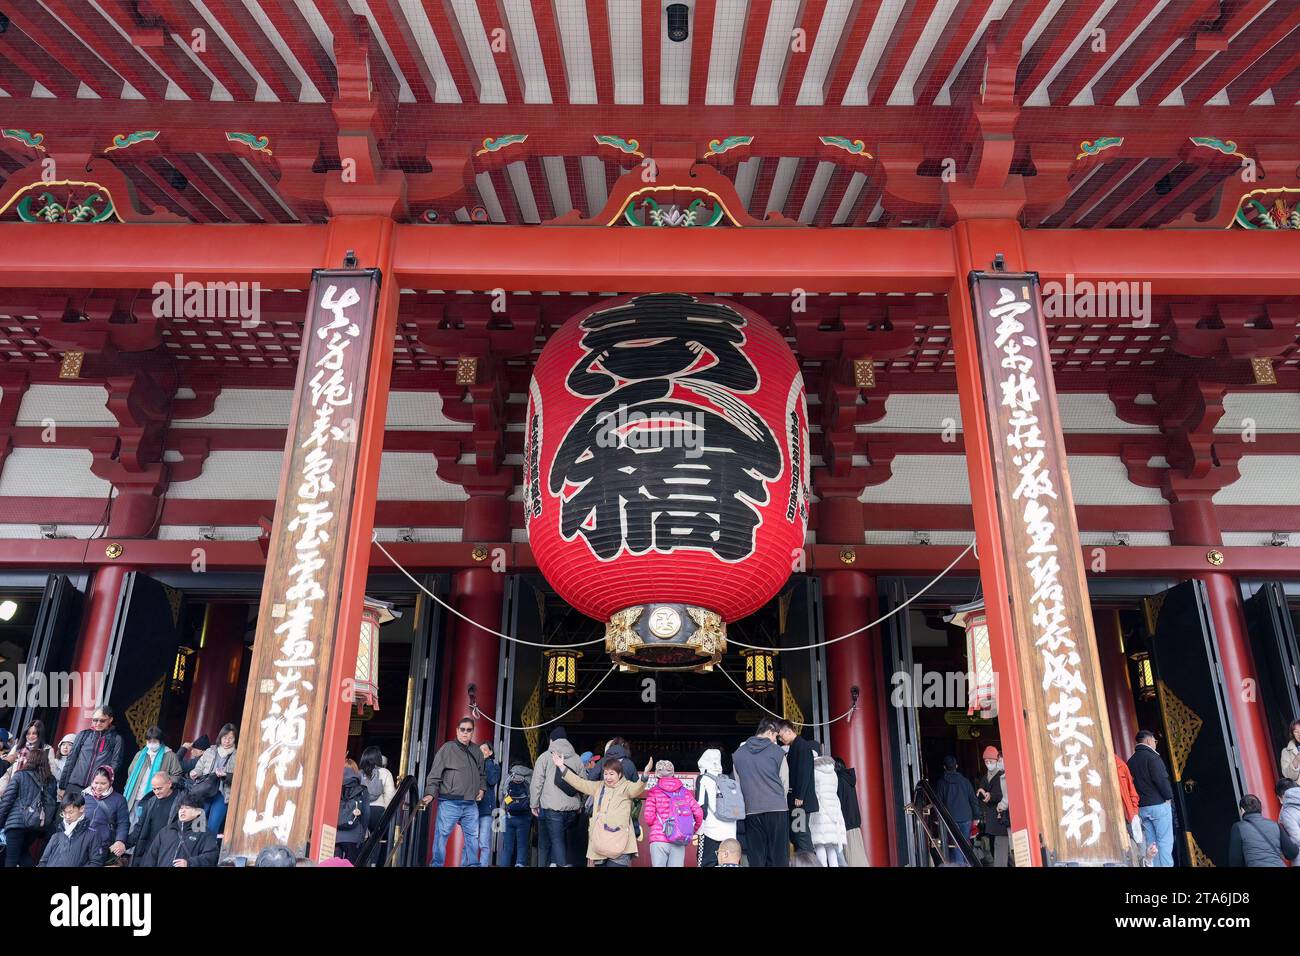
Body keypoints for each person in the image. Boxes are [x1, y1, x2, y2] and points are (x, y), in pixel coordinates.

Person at [554, 751, 652, 866]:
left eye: (611, 774)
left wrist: (644, 776)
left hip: (620, 843)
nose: (608, 777)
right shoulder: (599, 786)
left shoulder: (626, 787)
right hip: (600, 843)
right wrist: (561, 767)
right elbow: (579, 783)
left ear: (620, 774)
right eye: (605, 774)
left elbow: (637, 788)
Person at [421, 717, 486, 867]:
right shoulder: (447, 748)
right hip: (449, 802)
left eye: (469, 730)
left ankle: (472, 865)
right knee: (441, 836)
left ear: (472, 732)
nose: (465, 733)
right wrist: (430, 793)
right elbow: (435, 773)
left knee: (472, 838)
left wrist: (482, 789)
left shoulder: (477, 751)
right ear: (457, 731)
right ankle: (437, 865)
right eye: (462, 729)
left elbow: (482, 774)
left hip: (470, 803)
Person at [732, 719, 789, 867]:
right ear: (770, 731)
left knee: (756, 856)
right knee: (778, 856)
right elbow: (784, 782)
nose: (776, 740)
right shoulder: (778, 752)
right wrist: (778, 800)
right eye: (775, 736)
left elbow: (738, 785)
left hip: (751, 811)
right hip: (777, 809)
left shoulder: (738, 754)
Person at [529, 724, 585, 867]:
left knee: (552, 841)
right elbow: (583, 783)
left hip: (551, 808)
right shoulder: (577, 758)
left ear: (551, 741)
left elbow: (537, 783)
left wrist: (534, 804)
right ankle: (554, 863)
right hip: (572, 810)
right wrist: (581, 804)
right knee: (561, 838)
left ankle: (555, 864)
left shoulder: (545, 757)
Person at [0, 746, 56, 867]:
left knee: (11, 859)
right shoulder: (51, 780)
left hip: (16, 824)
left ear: (29, 760)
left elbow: (7, 801)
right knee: (23, 853)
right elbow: (52, 805)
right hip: (35, 825)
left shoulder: (20, 775)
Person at [642, 759, 703, 867]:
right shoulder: (684, 792)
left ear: (657, 774)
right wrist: (691, 830)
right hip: (679, 838)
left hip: (659, 839)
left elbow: (649, 818)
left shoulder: (653, 792)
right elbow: (698, 813)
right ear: (673, 773)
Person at [1127, 730, 1174, 867]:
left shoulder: (1131, 761)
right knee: (1165, 843)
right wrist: (1169, 797)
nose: (1155, 744)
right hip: (1159, 806)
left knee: (1151, 845)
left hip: (1142, 808)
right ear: (1149, 740)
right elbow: (1161, 780)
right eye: (1155, 741)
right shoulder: (1153, 758)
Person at [136, 793, 220, 867]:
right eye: (181, 808)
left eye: (187, 808)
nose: (182, 811)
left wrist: (189, 863)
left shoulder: (204, 834)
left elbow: (211, 856)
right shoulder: (166, 831)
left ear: (198, 812)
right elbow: (151, 858)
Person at [58, 706, 124, 799]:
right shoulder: (84, 734)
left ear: (110, 720)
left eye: (102, 721)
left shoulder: (116, 739)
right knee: (67, 809)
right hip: (74, 785)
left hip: (96, 789)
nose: (98, 723)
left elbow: (115, 764)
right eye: (95, 720)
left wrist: (101, 782)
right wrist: (62, 786)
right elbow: (71, 760)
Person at [122, 726, 183, 822]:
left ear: (160, 741)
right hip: (135, 795)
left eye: (154, 741)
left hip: (154, 797)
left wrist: (164, 781)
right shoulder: (140, 754)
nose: (151, 744)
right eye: (149, 741)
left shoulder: (170, 756)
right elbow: (130, 773)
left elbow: (177, 775)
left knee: (144, 822)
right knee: (129, 822)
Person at [777, 720, 818, 855]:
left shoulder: (801, 746)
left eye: (781, 736)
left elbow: (804, 772)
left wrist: (800, 795)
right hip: (797, 800)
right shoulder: (796, 746)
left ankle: (809, 861)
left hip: (800, 801)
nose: (780, 739)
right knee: (797, 833)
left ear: (789, 731)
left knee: (801, 834)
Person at [188, 723, 236, 838]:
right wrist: (195, 772)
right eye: (225, 737)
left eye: (231, 738)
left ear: (235, 739)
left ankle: (208, 848)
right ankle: (194, 846)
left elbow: (239, 777)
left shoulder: (237, 755)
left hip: (223, 794)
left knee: (212, 827)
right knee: (197, 825)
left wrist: (226, 775)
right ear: (220, 737)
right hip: (205, 791)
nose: (227, 741)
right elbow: (199, 767)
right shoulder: (210, 750)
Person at [1228, 793, 1298, 867]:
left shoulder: (1238, 827)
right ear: (1260, 808)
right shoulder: (1275, 825)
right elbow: (1292, 853)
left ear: (1242, 810)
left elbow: (1235, 861)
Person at [934, 755, 980, 865]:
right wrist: (977, 816)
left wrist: (937, 818)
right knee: (965, 845)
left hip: (950, 819)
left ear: (944, 767)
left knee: (956, 846)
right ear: (957, 766)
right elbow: (973, 800)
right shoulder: (965, 781)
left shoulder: (941, 783)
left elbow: (938, 803)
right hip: (966, 818)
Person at [696, 748, 737, 867]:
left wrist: (698, 830)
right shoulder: (727, 780)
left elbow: (701, 806)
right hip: (730, 833)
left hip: (710, 832)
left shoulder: (703, 779)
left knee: (706, 863)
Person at [128, 772, 180, 865]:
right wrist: (124, 844)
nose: (156, 792)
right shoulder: (151, 801)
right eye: (154, 789)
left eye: (159, 788)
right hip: (148, 851)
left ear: (169, 784)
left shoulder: (181, 801)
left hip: (167, 851)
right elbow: (139, 827)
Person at [39, 793, 103, 867]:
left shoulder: (93, 834)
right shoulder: (57, 834)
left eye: (71, 812)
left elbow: (96, 863)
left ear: (82, 809)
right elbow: (43, 861)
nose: (67, 817)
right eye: (64, 813)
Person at [809, 752, 848, 867]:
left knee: (819, 845)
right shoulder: (832, 772)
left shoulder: (814, 771)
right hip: (834, 811)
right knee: (831, 847)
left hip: (820, 812)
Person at [84, 767, 129, 866]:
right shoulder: (85, 795)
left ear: (110, 782)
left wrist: (120, 840)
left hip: (101, 845)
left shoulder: (119, 800)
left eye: (103, 783)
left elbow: (123, 823)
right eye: (96, 783)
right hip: (81, 841)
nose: (98, 787)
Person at [976, 746, 1011, 866]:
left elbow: (1004, 794)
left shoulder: (1002, 774)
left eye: (991, 761)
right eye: (986, 762)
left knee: (1000, 847)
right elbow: (982, 786)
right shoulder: (987, 775)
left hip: (1000, 815)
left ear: (997, 761)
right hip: (991, 817)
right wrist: (981, 790)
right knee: (995, 847)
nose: (988, 764)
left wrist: (991, 796)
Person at [467, 741, 500, 866]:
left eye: (484, 749)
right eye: (480, 749)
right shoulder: (473, 765)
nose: (481, 752)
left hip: (486, 810)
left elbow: (492, 781)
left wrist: (488, 762)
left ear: (490, 752)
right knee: (470, 841)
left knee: (483, 843)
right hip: (472, 808)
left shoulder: (494, 767)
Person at [834, 757, 868, 867]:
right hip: (854, 822)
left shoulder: (838, 779)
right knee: (858, 855)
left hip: (846, 823)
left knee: (851, 857)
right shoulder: (848, 778)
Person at [334, 765, 371, 863]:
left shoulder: (335, 787)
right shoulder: (362, 790)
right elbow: (366, 814)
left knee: (333, 863)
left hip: (335, 835)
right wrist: (362, 834)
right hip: (354, 835)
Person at [358, 746, 397, 839]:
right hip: (378, 811)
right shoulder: (385, 772)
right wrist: (386, 812)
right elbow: (390, 795)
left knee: (360, 838)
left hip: (360, 810)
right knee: (376, 839)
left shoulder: (358, 773)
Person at [500, 763, 533, 866]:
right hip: (524, 816)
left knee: (507, 848)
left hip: (508, 815)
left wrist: (509, 805)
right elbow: (533, 796)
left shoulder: (508, 776)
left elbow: (502, 794)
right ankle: (520, 864)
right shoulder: (530, 777)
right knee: (522, 846)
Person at [1114, 752, 1143, 859]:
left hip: (1127, 816)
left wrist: (1134, 812)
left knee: (1138, 853)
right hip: (1106, 817)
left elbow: (1132, 791)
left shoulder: (1120, 765)